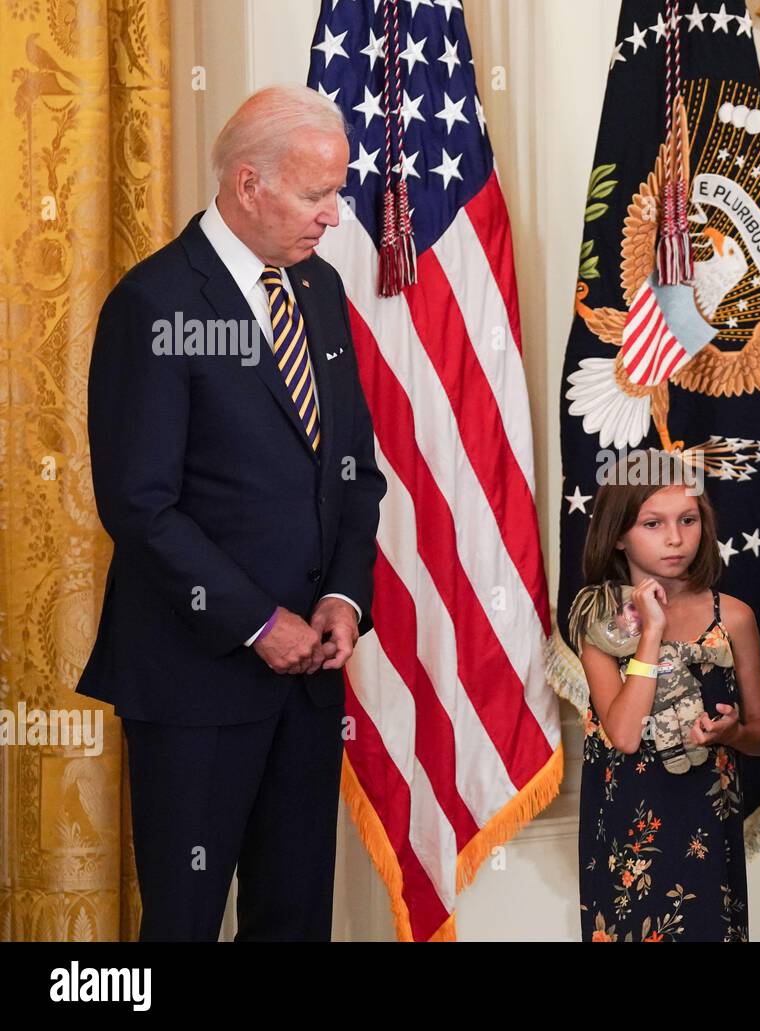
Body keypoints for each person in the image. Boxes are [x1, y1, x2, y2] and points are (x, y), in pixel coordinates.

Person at [77, 84, 387, 941]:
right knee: (183, 922)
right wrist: (258, 623)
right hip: (195, 683)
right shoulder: (156, 303)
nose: (334, 216)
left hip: (311, 680)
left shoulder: (320, 290)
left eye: (338, 192)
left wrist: (343, 599)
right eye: (316, 194)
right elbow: (140, 504)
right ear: (249, 184)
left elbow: (356, 471)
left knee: (293, 921)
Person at [569, 454, 760, 941]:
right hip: (626, 831)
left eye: (688, 520)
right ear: (619, 534)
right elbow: (621, 732)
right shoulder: (597, 616)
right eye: (652, 524)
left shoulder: (735, 617)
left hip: (704, 821)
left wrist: (735, 732)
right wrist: (651, 632)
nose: (675, 538)